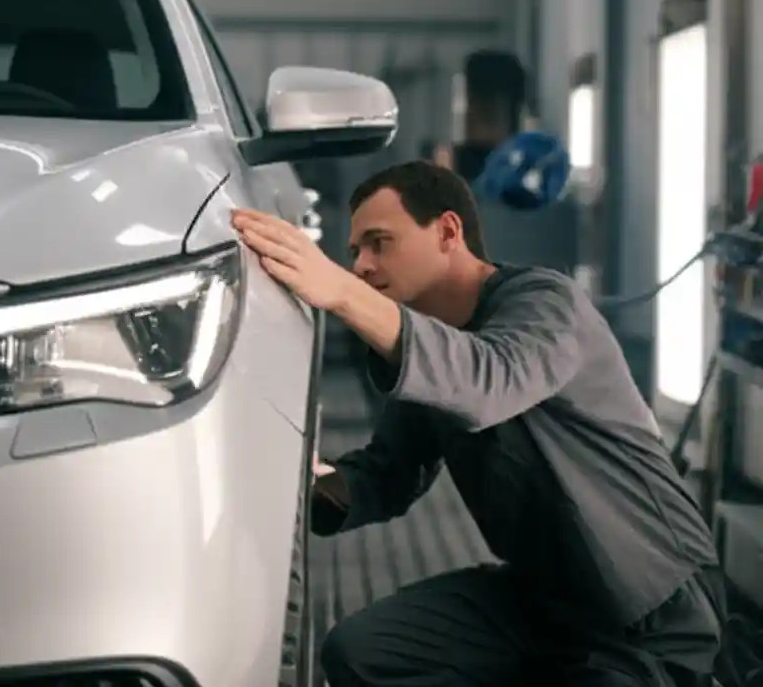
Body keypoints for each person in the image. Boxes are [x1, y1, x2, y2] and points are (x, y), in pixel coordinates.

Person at [231, 160, 725, 687]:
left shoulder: (547, 305)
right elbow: (389, 474)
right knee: (358, 653)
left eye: (379, 243)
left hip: (650, 600)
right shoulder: (434, 347)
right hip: (543, 597)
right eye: (353, 254)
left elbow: (490, 380)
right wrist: (301, 485)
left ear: (448, 231)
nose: (361, 267)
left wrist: (340, 293)